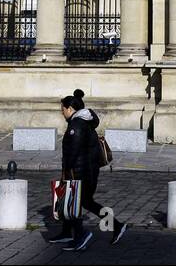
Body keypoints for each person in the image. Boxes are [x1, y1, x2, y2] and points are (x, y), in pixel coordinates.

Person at [48, 89, 128, 251]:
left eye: (62, 110)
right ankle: (67, 232)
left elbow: (74, 151)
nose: (62, 113)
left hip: (80, 172)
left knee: (75, 202)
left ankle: (81, 234)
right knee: (81, 201)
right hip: (88, 171)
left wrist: (67, 170)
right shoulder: (84, 122)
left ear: (70, 109)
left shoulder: (76, 125)